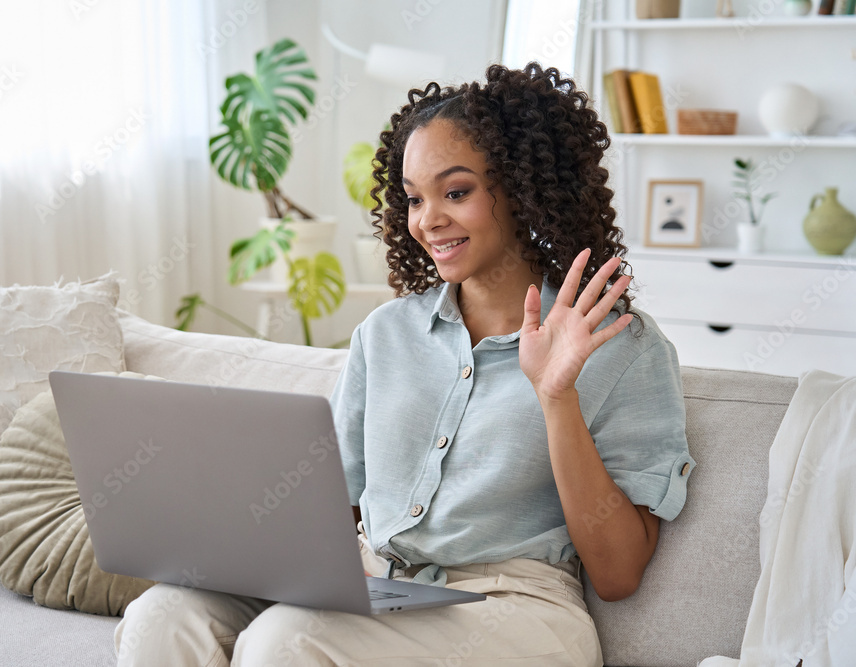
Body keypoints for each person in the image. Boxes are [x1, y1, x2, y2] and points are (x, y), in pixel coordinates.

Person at [114, 62, 695, 666]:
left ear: (525, 188)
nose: (427, 220)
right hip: (375, 584)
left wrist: (556, 397)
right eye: (414, 198)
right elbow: (333, 507)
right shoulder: (386, 335)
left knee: (285, 642)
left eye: (456, 191)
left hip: (513, 606)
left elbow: (619, 574)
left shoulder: (622, 347)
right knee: (163, 615)